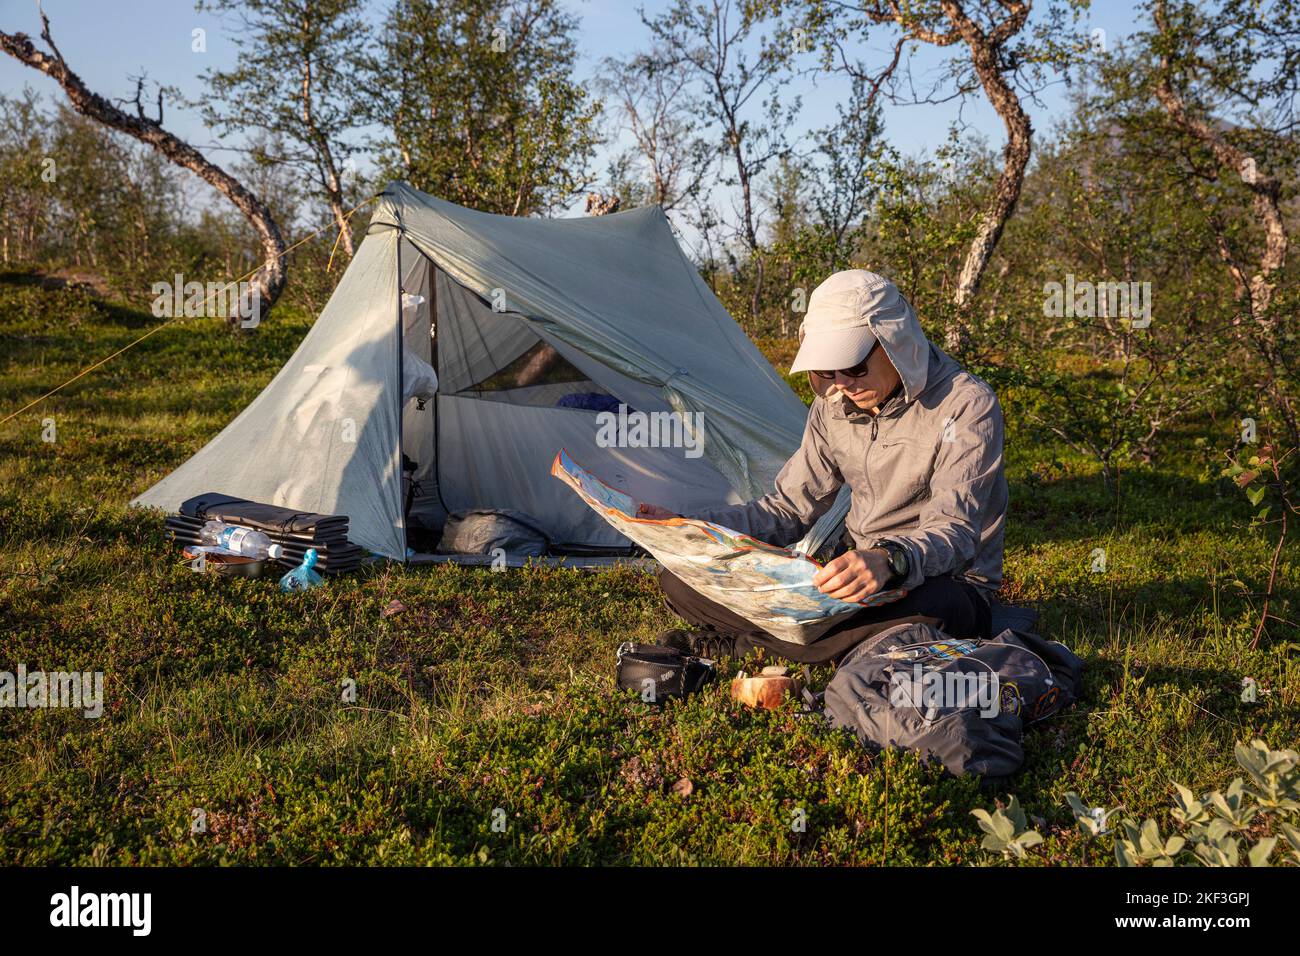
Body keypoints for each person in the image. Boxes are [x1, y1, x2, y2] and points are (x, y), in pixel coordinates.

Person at [644, 269, 1007, 665]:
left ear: (896, 342)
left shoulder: (967, 406)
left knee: (944, 608)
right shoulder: (832, 405)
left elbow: (955, 531)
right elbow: (786, 509)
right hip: (852, 575)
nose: (842, 383)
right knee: (679, 580)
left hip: (935, 579)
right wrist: (690, 531)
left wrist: (890, 561)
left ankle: (748, 646)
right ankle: (811, 640)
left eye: (853, 367)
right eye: (828, 370)